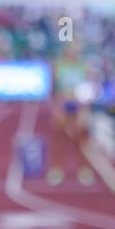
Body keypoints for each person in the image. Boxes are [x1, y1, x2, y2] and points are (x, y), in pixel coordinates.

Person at [48, 42, 95, 185]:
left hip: (79, 105)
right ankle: (56, 169)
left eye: (75, 49)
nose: (72, 52)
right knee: (59, 136)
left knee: (81, 138)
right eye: (70, 49)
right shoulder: (58, 66)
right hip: (63, 104)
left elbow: (89, 89)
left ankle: (84, 170)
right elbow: (53, 90)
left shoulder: (84, 67)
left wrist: (85, 110)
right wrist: (56, 109)